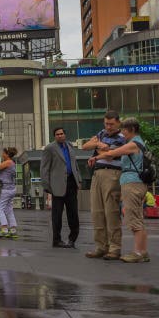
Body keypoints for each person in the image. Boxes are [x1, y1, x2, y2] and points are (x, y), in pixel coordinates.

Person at [91, 118, 151, 263]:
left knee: (134, 220)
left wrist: (97, 156)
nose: (122, 132)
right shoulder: (138, 142)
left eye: (124, 129)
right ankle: (143, 252)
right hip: (135, 183)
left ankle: (138, 252)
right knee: (137, 219)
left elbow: (113, 153)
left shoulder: (133, 144)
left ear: (131, 130)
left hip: (132, 184)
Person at [82, 111, 126, 259]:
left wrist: (98, 147)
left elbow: (110, 154)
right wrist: (100, 145)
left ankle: (114, 248)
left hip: (112, 173)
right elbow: (85, 146)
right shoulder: (101, 133)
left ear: (118, 123)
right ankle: (101, 246)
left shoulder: (122, 137)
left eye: (111, 124)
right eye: (106, 123)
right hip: (97, 173)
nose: (108, 127)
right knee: (97, 211)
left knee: (111, 211)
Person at [40, 127, 82, 248]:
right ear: (55, 136)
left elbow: (75, 164)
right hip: (56, 186)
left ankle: (72, 239)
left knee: (73, 213)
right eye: (57, 134)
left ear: (65, 134)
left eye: (61, 133)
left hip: (71, 184)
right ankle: (56, 240)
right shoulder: (50, 148)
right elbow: (44, 168)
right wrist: (46, 185)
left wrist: (78, 179)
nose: (60, 136)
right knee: (57, 215)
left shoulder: (70, 146)